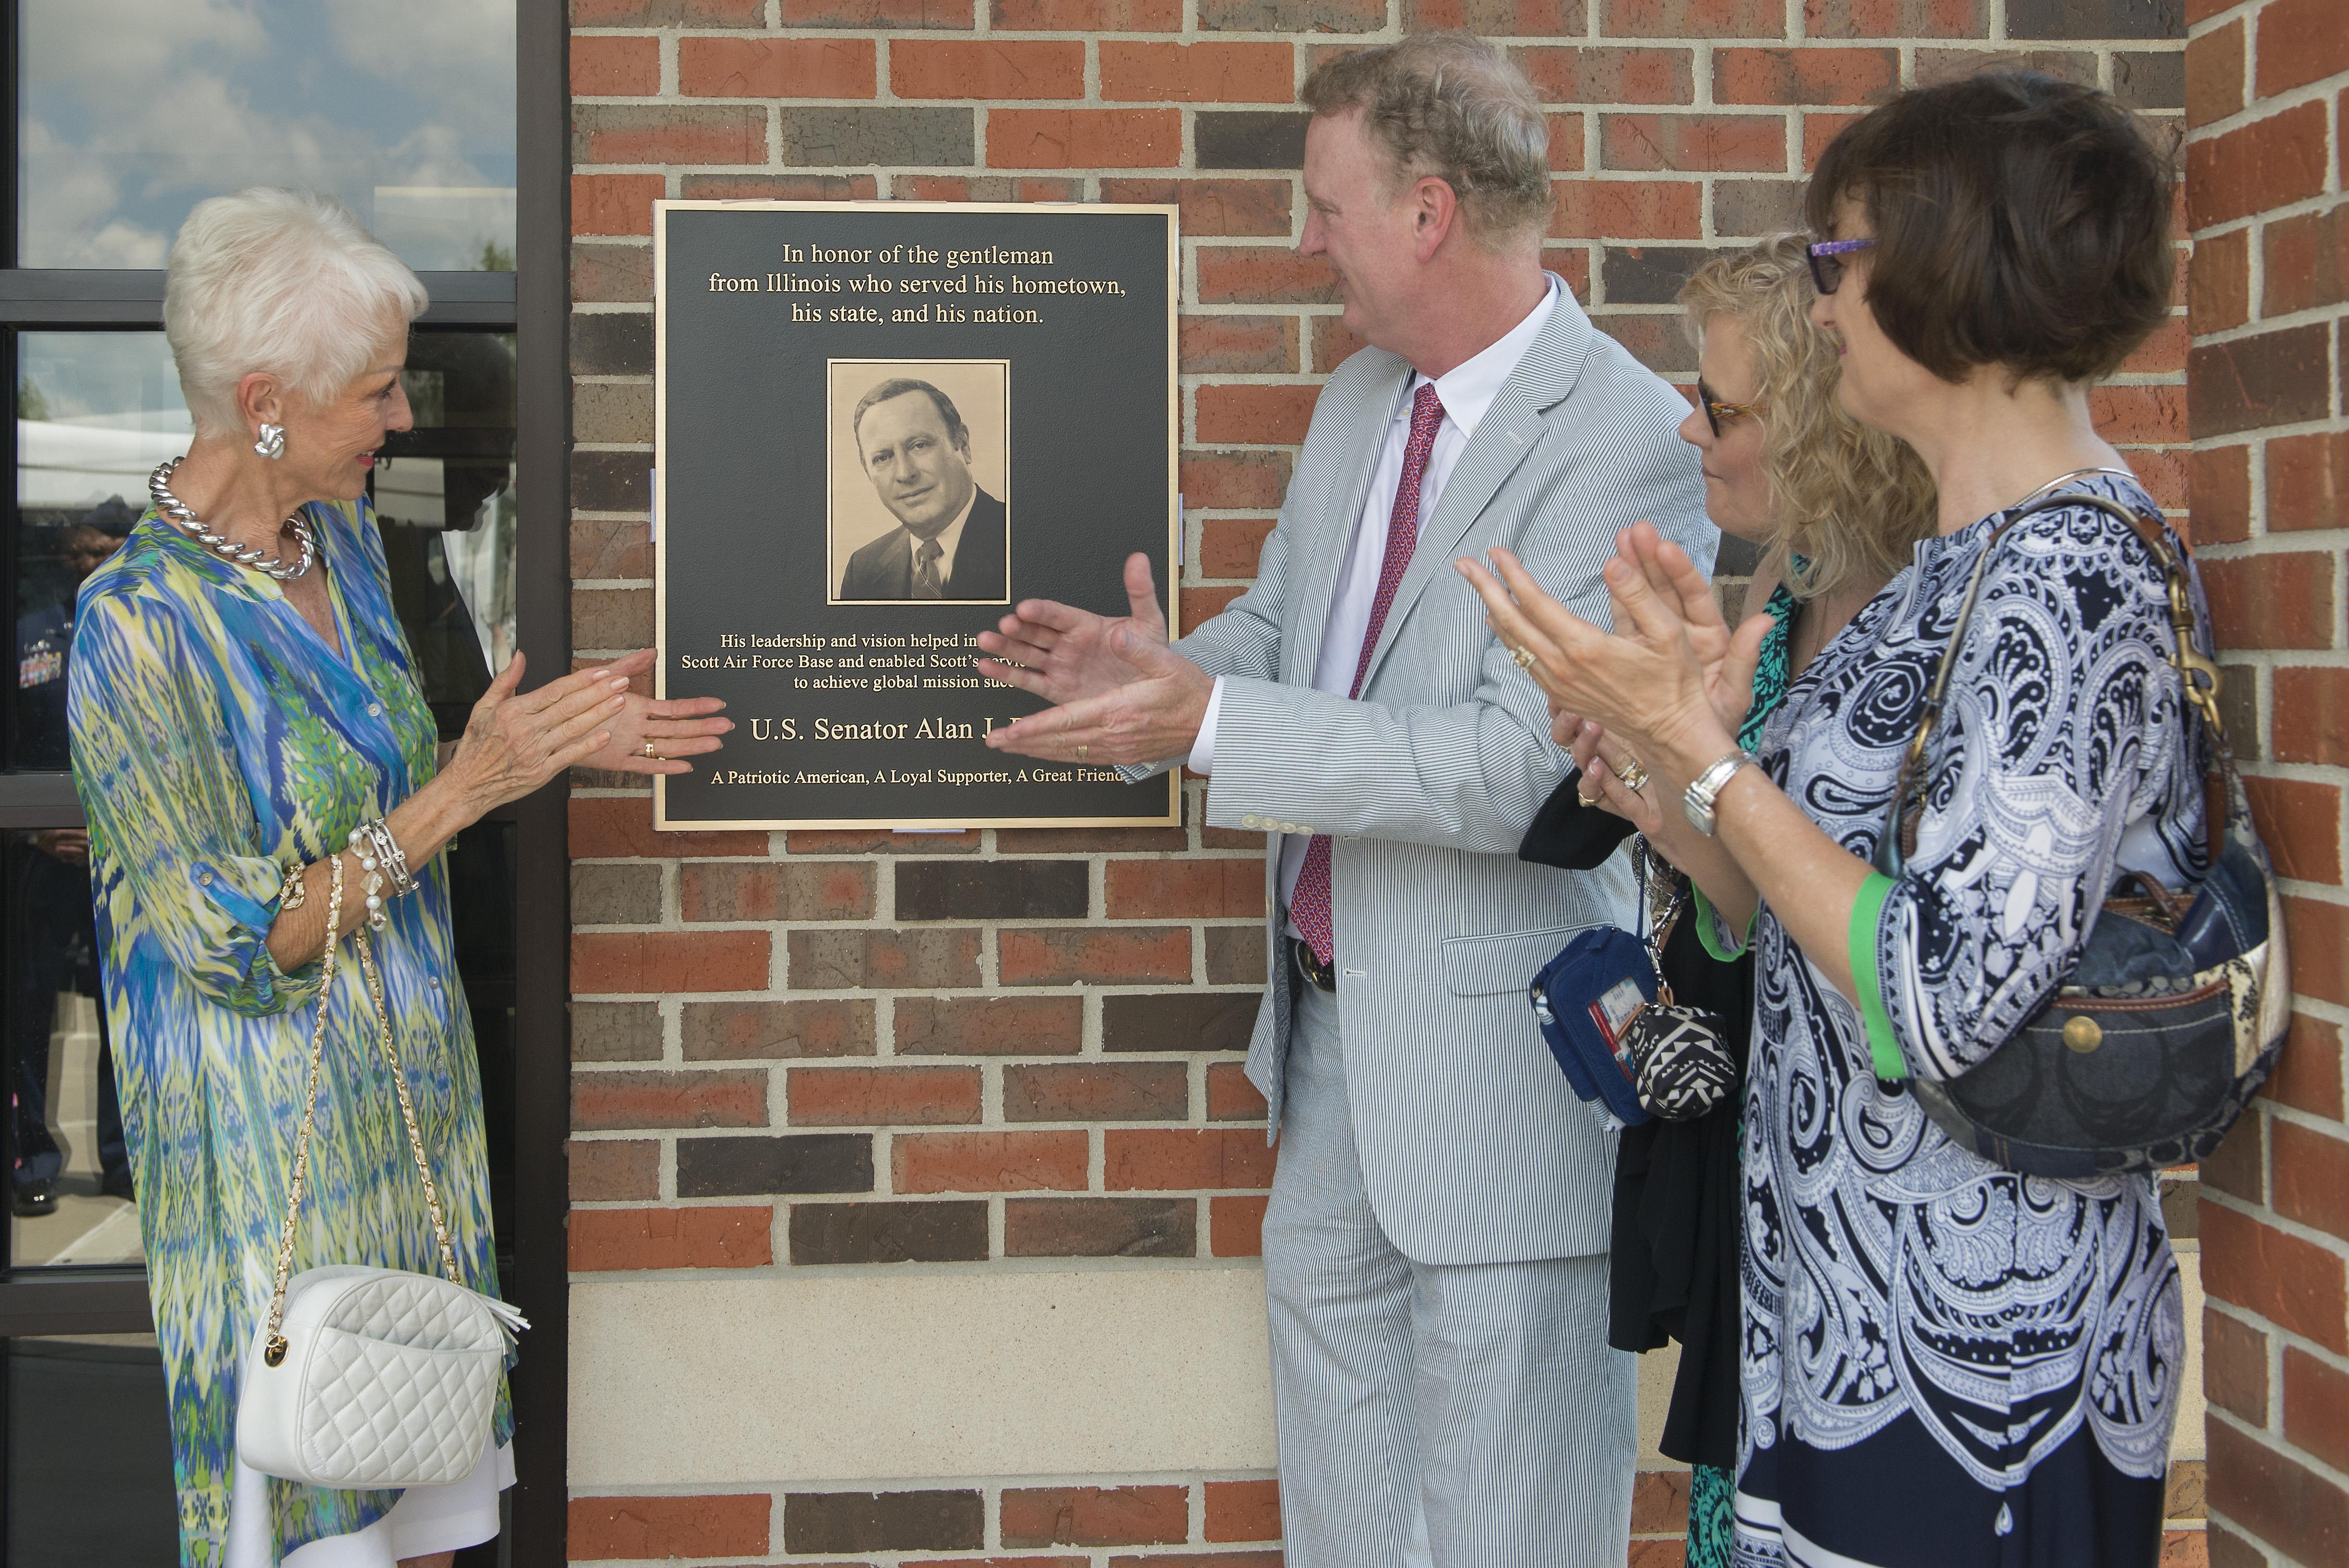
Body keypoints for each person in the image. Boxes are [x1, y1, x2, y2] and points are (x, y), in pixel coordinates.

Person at [974, 33, 1712, 1565]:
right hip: (1323, 1063)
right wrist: (1156, 672)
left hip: (1508, 1088)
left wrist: (1217, 719)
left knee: (1514, 1537)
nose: (1302, 244)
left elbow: (1515, 765)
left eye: (1325, 207)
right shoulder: (1360, 402)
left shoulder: (1627, 436)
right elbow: (1291, 638)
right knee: (1350, 1532)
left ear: (1428, 212)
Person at [1460, 73, 2188, 1567]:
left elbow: (1935, 993)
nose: (1821, 299)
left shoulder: (2074, 575)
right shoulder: (1938, 569)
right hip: (1832, 1306)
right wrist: (1678, 771)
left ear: (1948, 269)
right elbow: (1778, 915)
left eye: (1834, 256)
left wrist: (1701, 755)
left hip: (1976, 1359)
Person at [67, 187, 731, 1568]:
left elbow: (377, 781)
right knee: (316, 1529)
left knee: (423, 1499)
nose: (402, 420)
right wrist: (464, 792)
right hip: (268, 1166)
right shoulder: (130, 625)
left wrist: (550, 747)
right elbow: (237, 941)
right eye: (374, 392)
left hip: (412, 1122)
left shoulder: (349, 551)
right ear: (264, 399)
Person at [1516, 232, 1936, 1568]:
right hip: (1763, 1186)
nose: (1689, 426)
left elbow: (1914, 952)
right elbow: (1745, 916)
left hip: (1897, 1217)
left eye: (1724, 405)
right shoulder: (1788, 585)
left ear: (1825, 418)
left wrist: (1694, 754)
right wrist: (1660, 786)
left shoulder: (1936, 608)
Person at [13, 507, 138, 1217]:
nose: (96, 564)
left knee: (123, 1012)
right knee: (31, 1015)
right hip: (42, 861)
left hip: (123, 864)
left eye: (110, 552)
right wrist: (31, 833)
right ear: (67, 554)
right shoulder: (30, 635)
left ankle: (124, 1163)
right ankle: (32, 1157)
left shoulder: (154, 639)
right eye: (86, 552)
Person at [837, 378, 1007, 601]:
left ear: (962, 444)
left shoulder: (1023, 539)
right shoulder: (862, 569)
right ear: (868, 472)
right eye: (883, 458)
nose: (905, 474)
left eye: (919, 445)